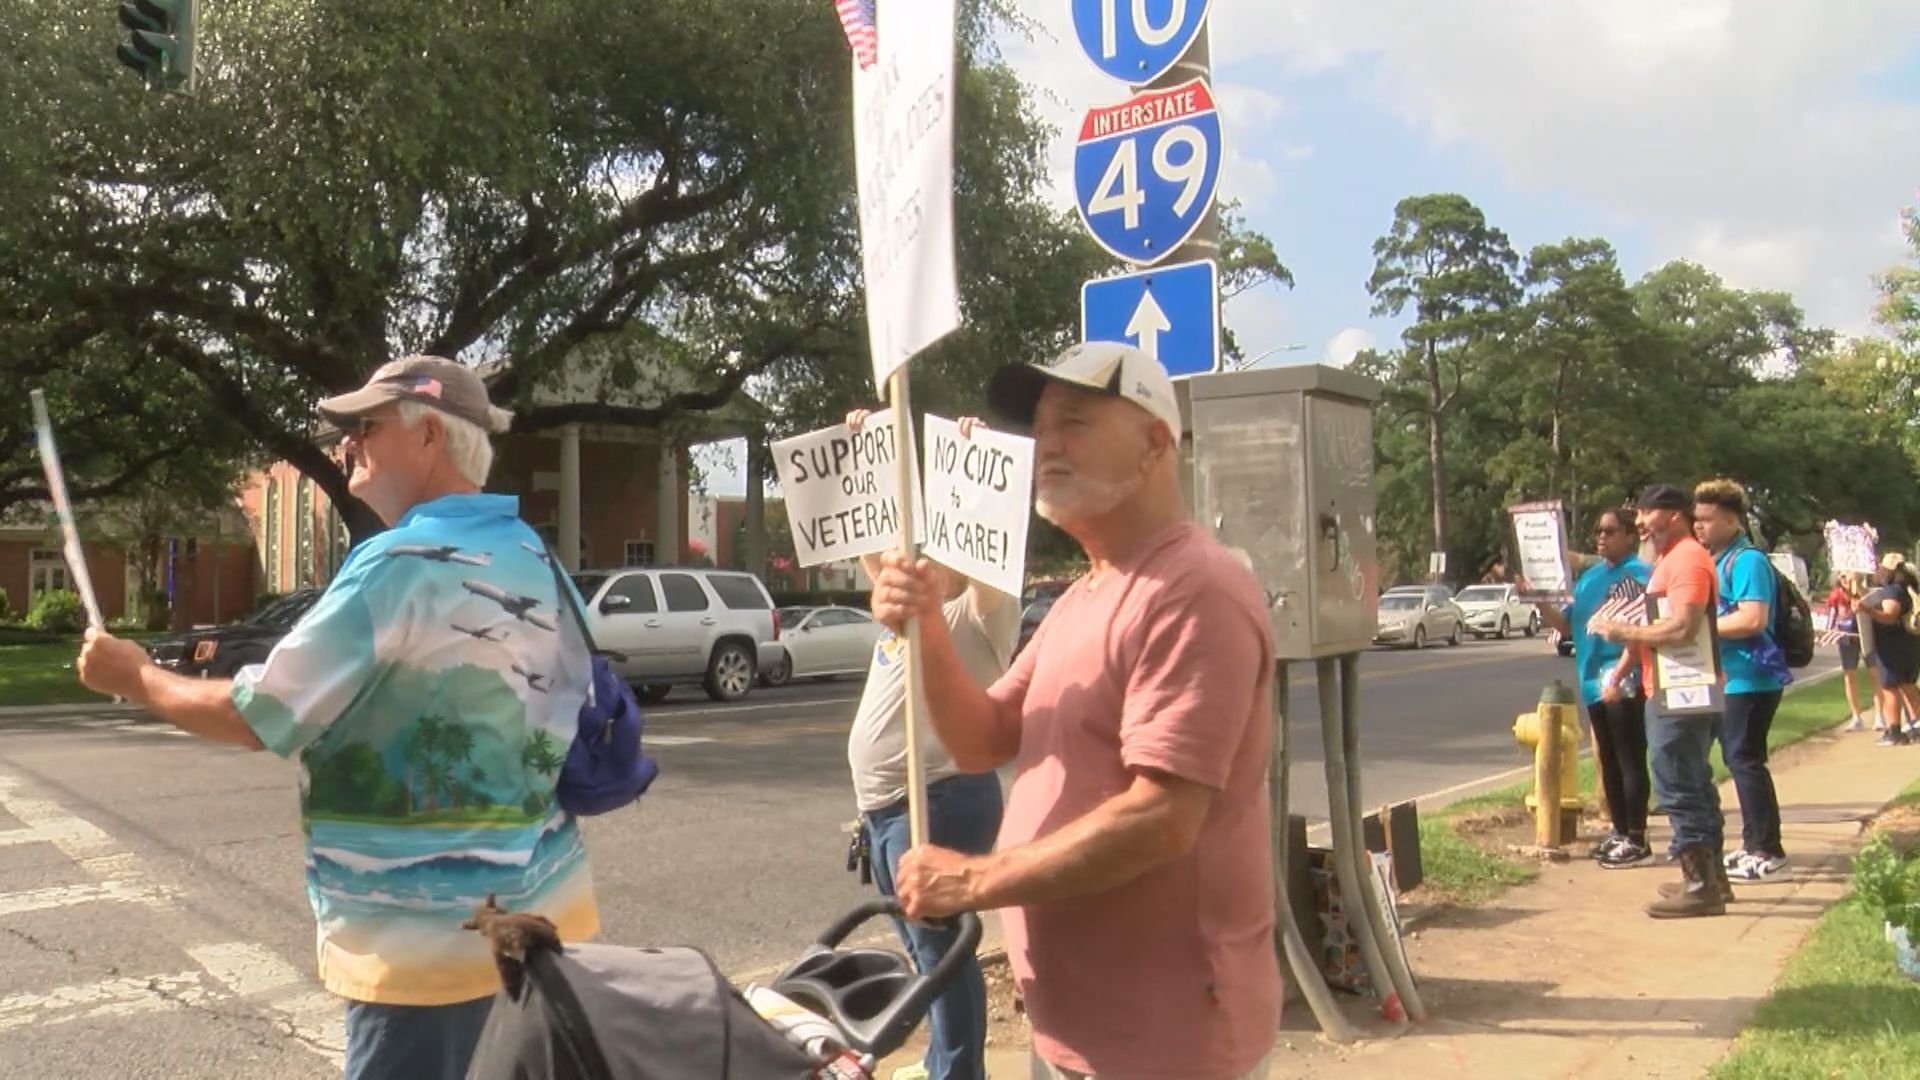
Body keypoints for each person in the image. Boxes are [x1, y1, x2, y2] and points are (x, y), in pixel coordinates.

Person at [76, 356, 599, 1080]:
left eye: (365, 426)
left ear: (429, 438)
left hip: (427, 952)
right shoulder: (534, 555)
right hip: (547, 925)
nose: (345, 444)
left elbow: (262, 713)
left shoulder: (399, 563)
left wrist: (135, 676)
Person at [871, 341, 1279, 1079]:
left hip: (1164, 1046)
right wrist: (926, 620)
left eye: (1076, 422)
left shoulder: (1194, 589)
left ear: (1156, 439)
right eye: (1041, 428)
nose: (1047, 445)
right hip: (1077, 1037)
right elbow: (978, 738)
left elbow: (1162, 818)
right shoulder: (1083, 597)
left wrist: (972, 884)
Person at [843, 410, 1015, 1080]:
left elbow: (988, 551)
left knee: (942, 952)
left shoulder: (979, 613)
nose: (911, 558)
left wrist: (969, 467)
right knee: (925, 951)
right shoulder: (906, 614)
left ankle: (957, 1072)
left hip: (940, 797)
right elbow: (872, 544)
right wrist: (871, 451)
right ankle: (950, 1063)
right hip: (889, 807)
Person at [1597, 483, 1727, 918]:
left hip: (1683, 691)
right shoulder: (1670, 561)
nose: (1639, 523)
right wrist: (1625, 662)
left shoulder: (1688, 558)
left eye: (1646, 513)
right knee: (1693, 782)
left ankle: (1700, 885)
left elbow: (1683, 628)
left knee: (1678, 785)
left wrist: (1623, 632)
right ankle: (1711, 880)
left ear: (1672, 515)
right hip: (1673, 688)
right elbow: (1662, 623)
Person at [1531, 507, 1652, 868]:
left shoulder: (1642, 575)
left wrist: (1620, 673)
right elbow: (1566, 626)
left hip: (1623, 676)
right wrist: (1537, 598)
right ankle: (1619, 829)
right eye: (1598, 530)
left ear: (1630, 536)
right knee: (1608, 759)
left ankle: (1637, 836)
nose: (1601, 537)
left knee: (1630, 757)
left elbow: (1644, 629)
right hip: (1590, 678)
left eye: (1610, 531)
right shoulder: (1589, 579)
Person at [1692, 479, 1792, 884]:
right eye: (1695, 519)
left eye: (1707, 519)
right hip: (1729, 678)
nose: (1699, 527)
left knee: (1746, 759)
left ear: (1732, 520)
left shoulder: (1747, 561)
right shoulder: (1718, 560)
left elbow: (1753, 618)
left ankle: (1769, 850)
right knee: (1737, 759)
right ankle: (1752, 843)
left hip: (1753, 678)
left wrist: (1699, 627)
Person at [1859, 554, 1920, 745]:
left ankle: (1894, 731)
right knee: (1907, 684)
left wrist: (1867, 610)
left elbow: (1890, 615)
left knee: (1890, 687)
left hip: (1893, 647)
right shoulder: (1910, 589)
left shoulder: (1892, 591)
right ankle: (1916, 725)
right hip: (1909, 643)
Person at [1826, 572, 1870, 730]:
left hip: (1865, 636)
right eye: (1842, 576)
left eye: (1849, 576)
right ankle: (1856, 716)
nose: (1845, 580)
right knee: (1849, 676)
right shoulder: (1836, 595)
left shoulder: (1865, 593)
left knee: (1875, 674)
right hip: (1846, 638)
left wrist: (1856, 590)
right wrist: (1830, 631)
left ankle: (1880, 716)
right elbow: (1832, 617)